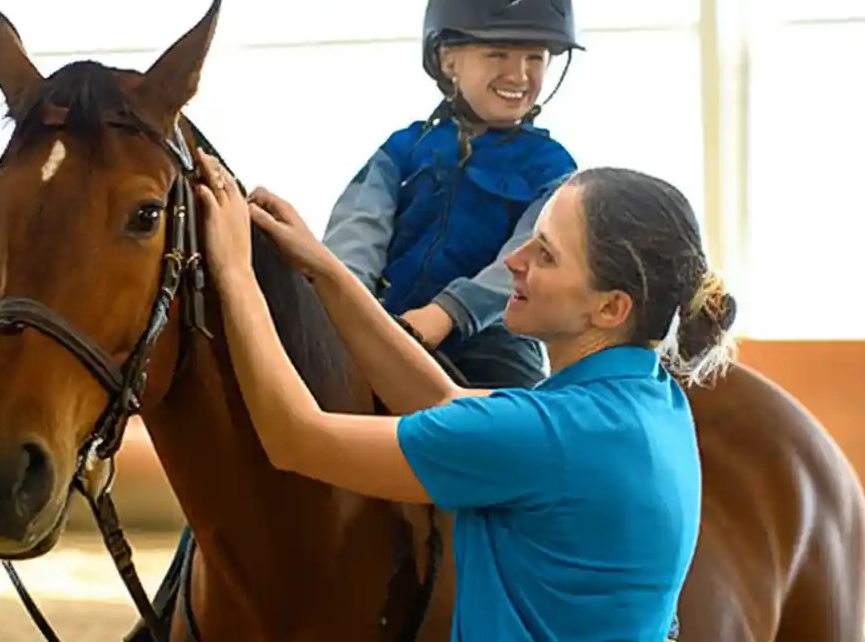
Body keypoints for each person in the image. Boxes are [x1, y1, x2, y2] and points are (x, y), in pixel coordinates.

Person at [193, 145, 738, 640]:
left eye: (546, 254)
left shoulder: (550, 435)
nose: (514, 260)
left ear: (611, 308)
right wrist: (325, 270)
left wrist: (235, 271)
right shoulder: (651, 402)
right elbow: (446, 402)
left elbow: (296, 439)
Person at [321, 0, 585, 389]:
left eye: (534, 58)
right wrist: (347, 306)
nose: (519, 75)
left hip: (491, 347)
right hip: (386, 328)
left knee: (509, 433)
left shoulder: (553, 171)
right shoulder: (403, 149)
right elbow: (356, 234)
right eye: (497, 55)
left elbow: (526, 261)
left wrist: (445, 314)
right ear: (449, 61)